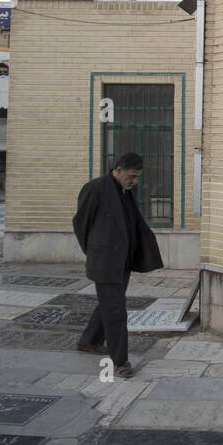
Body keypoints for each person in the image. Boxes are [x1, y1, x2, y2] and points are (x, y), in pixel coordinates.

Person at [72, 152, 165, 378]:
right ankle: (119, 362)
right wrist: (95, 251)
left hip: (122, 261)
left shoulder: (124, 191)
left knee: (108, 303)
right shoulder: (95, 188)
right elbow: (80, 224)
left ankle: (89, 341)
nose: (134, 181)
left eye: (137, 177)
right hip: (105, 262)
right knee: (116, 311)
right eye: (131, 176)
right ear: (118, 169)